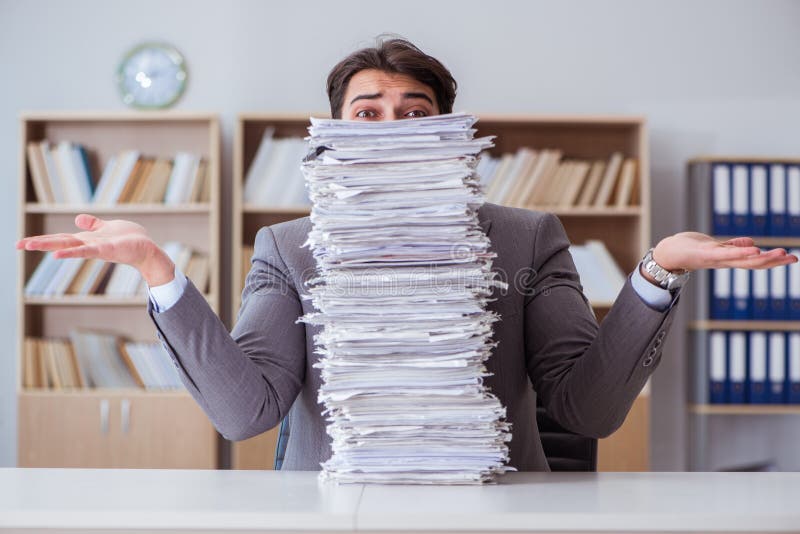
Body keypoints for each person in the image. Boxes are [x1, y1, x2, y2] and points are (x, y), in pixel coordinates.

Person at [17, 38, 796, 471]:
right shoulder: (288, 247)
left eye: (415, 111)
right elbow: (246, 413)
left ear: (449, 131)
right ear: (335, 135)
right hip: (331, 507)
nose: (391, 127)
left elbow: (585, 411)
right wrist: (159, 273)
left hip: (493, 506)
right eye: (368, 112)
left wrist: (658, 270)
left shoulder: (526, 237)